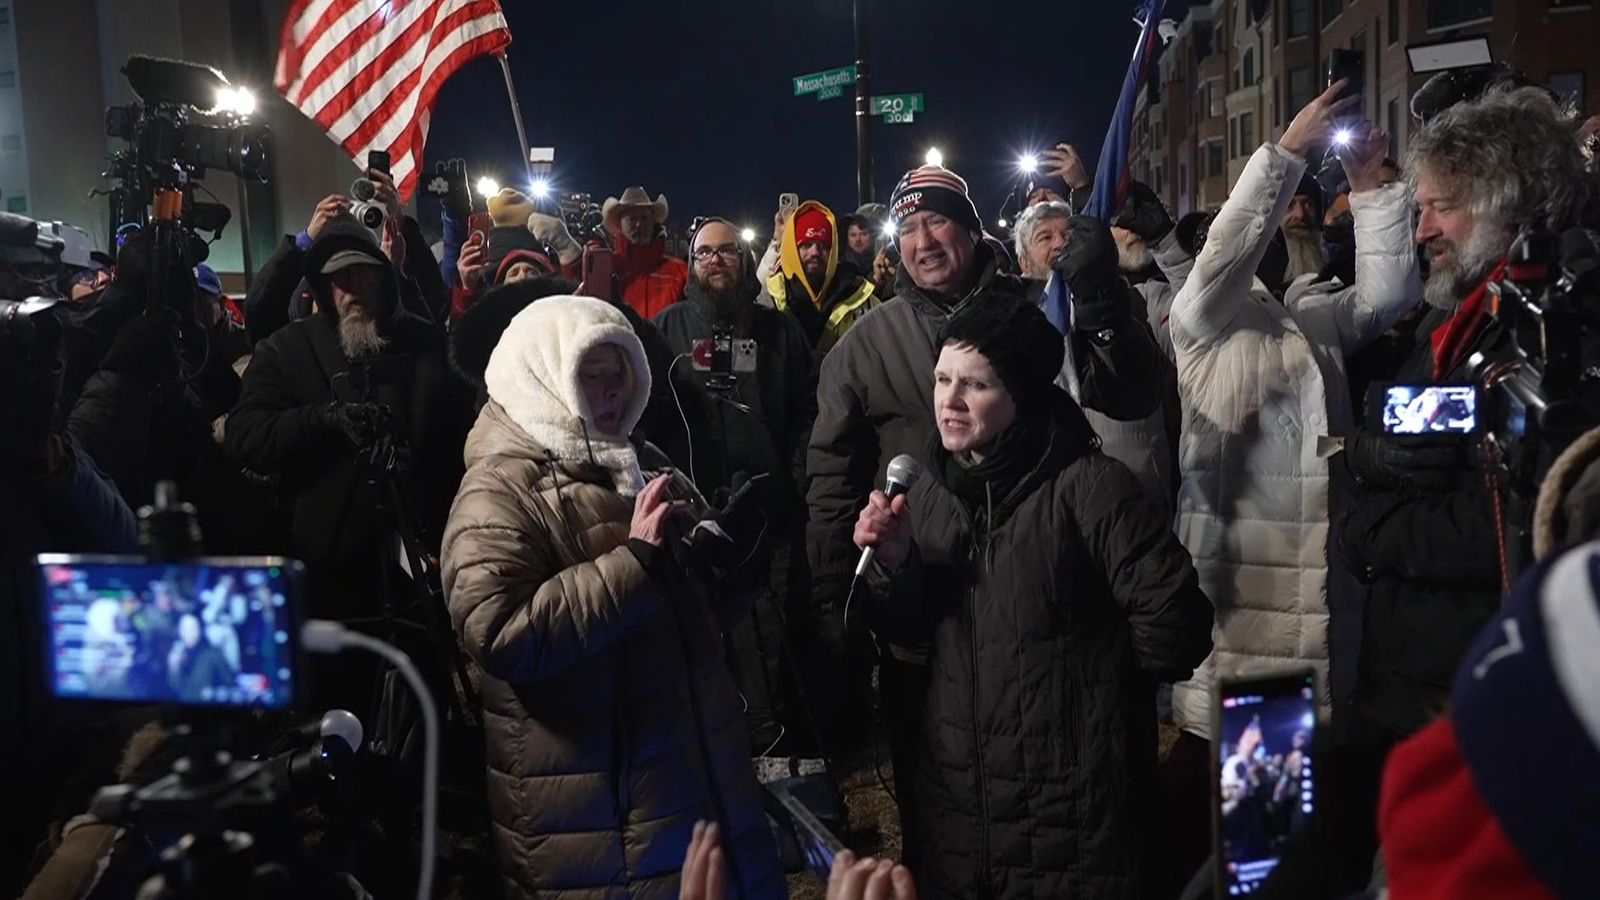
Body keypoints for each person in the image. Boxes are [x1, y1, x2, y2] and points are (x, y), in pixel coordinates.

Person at [806, 162, 1164, 802]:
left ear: (970, 230)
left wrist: (1102, 296)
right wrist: (837, 600)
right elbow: (832, 481)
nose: (924, 241)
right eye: (909, 227)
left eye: (937, 219)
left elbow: (1133, 392)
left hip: (1050, 604)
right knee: (945, 811)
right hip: (934, 611)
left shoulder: (1042, 310)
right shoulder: (862, 350)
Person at [850, 293, 1213, 898]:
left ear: (1021, 394)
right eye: (942, 379)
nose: (951, 400)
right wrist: (896, 562)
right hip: (961, 812)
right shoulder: (930, 491)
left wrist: (1094, 691)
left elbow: (1177, 627)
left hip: (1071, 818)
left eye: (977, 384)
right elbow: (914, 631)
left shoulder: (1092, 489)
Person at [1163, 81, 1422, 890]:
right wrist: (1284, 154)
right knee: (1262, 852)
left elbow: (1388, 297)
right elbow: (1223, 258)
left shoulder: (1307, 316)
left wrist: (1373, 180)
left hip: (1325, 609)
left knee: (1318, 845)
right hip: (1253, 623)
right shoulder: (1198, 322)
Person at [440, 295, 783, 900]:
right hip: (597, 816)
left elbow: (690, 614)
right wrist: (635, 563)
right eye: (589, 375)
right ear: (542, 376)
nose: (611, 393)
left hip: (686, 777)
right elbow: (499, 632)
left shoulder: (639, 463)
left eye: (618, 374)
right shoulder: (496, 490)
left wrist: (736, 566)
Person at [1338, 85, 1598, 760]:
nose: (1421, 230)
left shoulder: (1563, 338)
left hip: (1482, 700)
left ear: (1507, 207)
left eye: (1439, 208)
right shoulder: (1452, 315)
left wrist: (1368, 526)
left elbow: (1507, 523)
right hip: (1411, 677)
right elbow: (1408, 432)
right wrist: (1367, 456)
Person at [224, 217, 469, 637]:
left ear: (383, 278)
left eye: (363, 274)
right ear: (322, 286)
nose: (352, 288)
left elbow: (460, 434)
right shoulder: (287, 349)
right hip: (327, 579)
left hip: (421, 570)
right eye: (340, 278)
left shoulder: (423, 343)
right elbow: (245, 434)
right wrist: (322, 421)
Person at [655, 218, 816, 752]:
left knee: (767, 629)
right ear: (692, 263)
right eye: (705, 253)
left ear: (744, 261)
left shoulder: (779, 331)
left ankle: (773, 741)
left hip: (768, 512)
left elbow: (806, 415)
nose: (716, 261)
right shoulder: (668, 329)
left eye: (727, 252)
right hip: (693, 515)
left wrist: (789, 484)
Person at [1013, 203, 1178, 513]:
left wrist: (1166, 241)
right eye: (1045, 237)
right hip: (1053, 510)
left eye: (1069, 233)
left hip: (1139, 499)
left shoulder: (1140, 300)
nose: (1061, 243)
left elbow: (1196, 309)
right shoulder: (1015, 328)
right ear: (1024, 262)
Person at [763, 201, 879, 355]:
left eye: (823, 246)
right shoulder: (769, 299)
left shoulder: (863, 299)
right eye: (806, 245)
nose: (815, 252)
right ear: (793, 250)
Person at [602, 185, 689, 319]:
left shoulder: (679, 271)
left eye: (644, 218)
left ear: (653, 222)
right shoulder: (608, 268)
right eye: (632, 219)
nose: (638, 224)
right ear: (620, 224)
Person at [166, 613, 235, 702]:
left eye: (193, 629)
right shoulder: (177, 655)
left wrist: (214, 693)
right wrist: (174, 668)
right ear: (180, 632)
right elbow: (176, 689)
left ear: (200, 630)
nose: (189, 633)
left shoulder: (213, 653)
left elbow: (230, 683)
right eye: (185, 629)